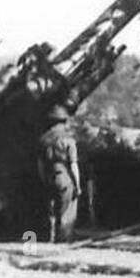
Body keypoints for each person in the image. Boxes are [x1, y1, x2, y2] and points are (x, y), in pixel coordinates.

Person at [38, 103, 81, 243]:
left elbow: (40, 165)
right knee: (67, 208)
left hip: (49, 175)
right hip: (64, 176)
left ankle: (50, 236)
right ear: (63, 122)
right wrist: (77, 185)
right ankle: (64, 238)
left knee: (51, 208)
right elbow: (74, 165)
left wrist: (44, 179)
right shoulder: (69, 140)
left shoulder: (43, 140)